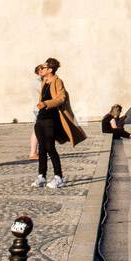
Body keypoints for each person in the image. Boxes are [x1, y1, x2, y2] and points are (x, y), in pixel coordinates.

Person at [32, 58, 86, 188]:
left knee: (50, 147)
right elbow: (38, 72)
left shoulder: (57, 81)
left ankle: (59, 177)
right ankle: (42, 176)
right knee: (42, 148)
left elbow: (61, 98)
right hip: (41, 118)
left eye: (43, 67)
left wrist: (46, 103)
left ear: (50, 70)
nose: (41, 69)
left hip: (51, 119)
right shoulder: (44, 81)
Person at [29, 63, 42, 160]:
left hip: (37, 108)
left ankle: (34, 152)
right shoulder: (39, 82)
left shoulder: (36, 82)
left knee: (37, 130)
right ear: (39, 72)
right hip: (40, 109)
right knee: (37, 131)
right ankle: (33, 153)